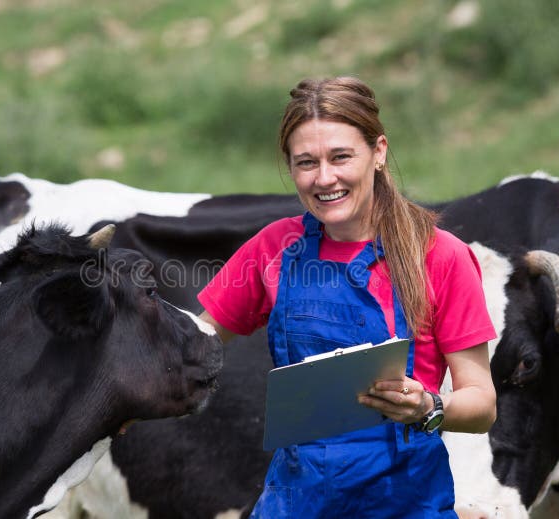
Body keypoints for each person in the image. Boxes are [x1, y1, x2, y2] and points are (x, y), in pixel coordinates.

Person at [197, 76, 497, 518]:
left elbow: (482, 404)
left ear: (378, 152)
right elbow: (197, 341)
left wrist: (428, 406)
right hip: (295, 505)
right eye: (306, 162)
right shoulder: (273, 247)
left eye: (341, 157)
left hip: (406, 504)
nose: (324, 178)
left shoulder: (442, 256)